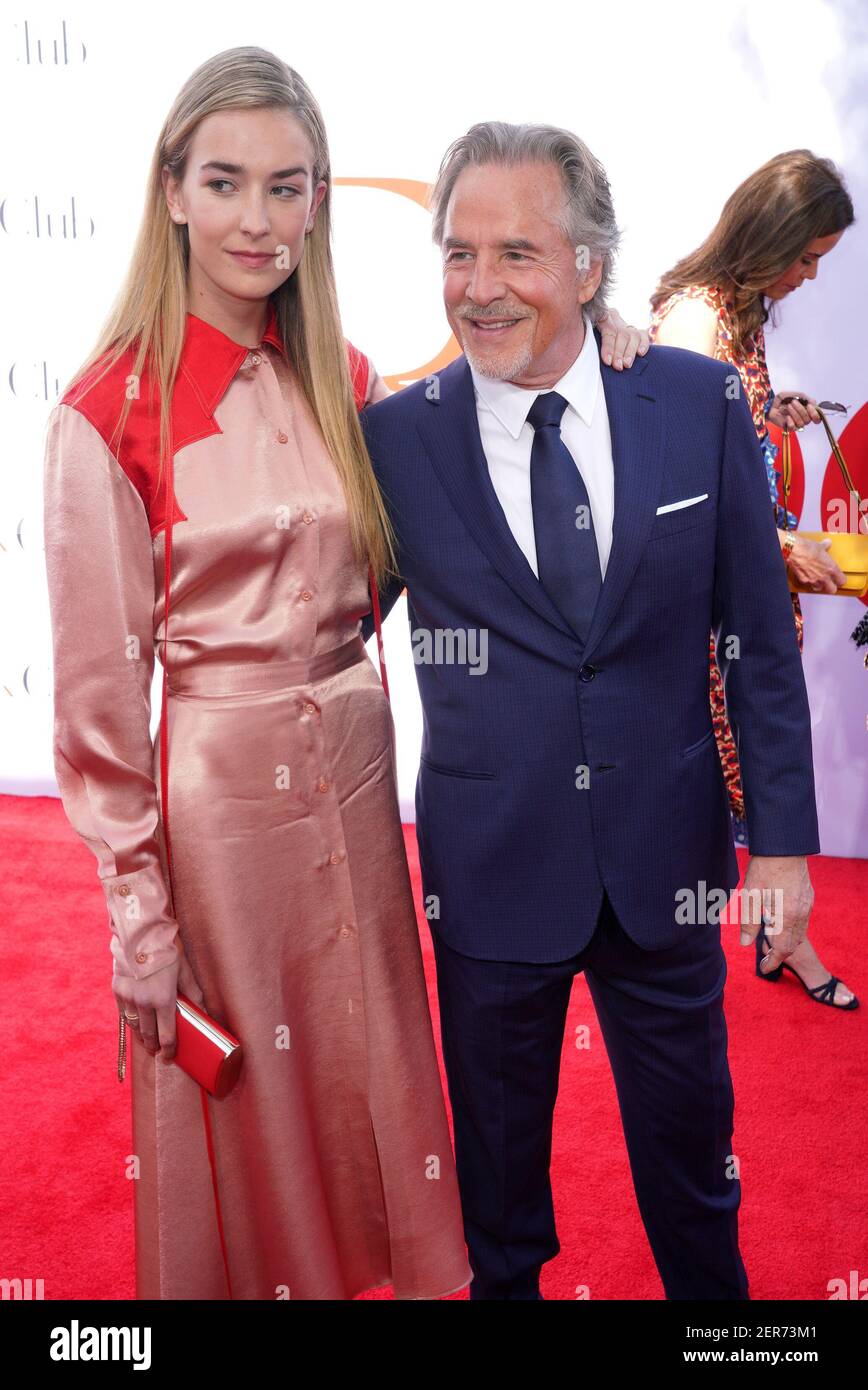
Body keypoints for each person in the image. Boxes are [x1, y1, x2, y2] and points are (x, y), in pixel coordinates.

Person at [42, 45, 478, 1301]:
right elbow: (96, 704)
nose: (258, 219)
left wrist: (587, 328)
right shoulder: (107, 411)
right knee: (247, 1092)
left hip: (352, 776)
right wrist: (138, 917)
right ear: (171, 189)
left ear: (318, 200)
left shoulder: (344, 378)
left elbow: (403, 553)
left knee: (366, 1063)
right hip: (223, 813)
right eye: (225, 182)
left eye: (288, 187)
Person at [360, 121, 821, 1300]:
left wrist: (780, 846)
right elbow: (322, 624)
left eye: (517, 253)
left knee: (695, 1173)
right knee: (497, 1200)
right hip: (489, 870)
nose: (479, 287)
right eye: (457, 254)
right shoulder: (393, 442)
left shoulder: (692, 399)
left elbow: (759, 643)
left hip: (666, 865)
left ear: (588, 267)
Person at [648, 149, 857, 1011]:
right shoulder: (696, 318)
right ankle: (769, 946)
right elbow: (673, 492)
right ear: (770, 236)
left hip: (745, 601)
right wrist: (777, 547)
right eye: (806, 257)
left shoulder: (739, 314)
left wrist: (774, 412)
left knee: (765, 781)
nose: (810, 277)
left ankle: (776, 939)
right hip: (707, 620)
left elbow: (719, 427)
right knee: (753, 785)